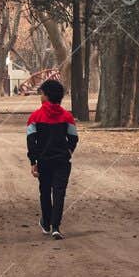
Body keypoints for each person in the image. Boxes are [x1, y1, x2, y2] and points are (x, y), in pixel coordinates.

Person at [26, 77, 79, 238]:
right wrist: (69, 151)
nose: (40, 96)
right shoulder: (67, 117)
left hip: (44, 161)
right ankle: (56, 227)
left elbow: (31, 141)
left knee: (45, 191)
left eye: (41, 93)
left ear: (47, 95)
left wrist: (33, 161)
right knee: (59, 192)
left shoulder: (35, 117)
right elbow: (74, 138)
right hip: (62, 161)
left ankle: (46, 222)